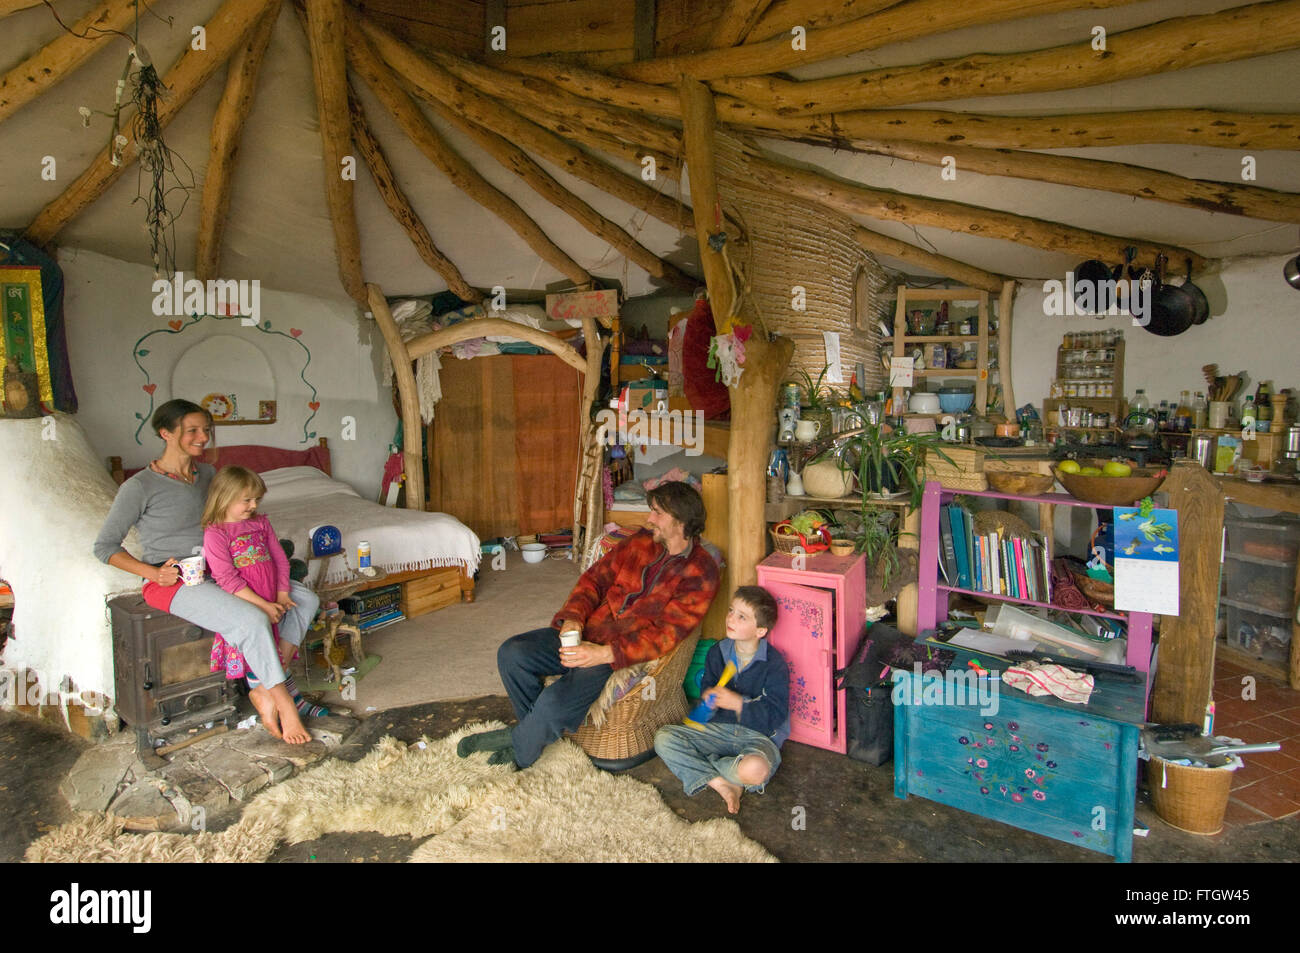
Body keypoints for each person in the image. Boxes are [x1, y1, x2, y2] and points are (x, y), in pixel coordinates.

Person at [94, 399, 318, 744]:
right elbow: (104, 547)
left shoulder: (210, 476)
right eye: (192, 431)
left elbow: (232, 519)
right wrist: (153, 574)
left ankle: (266, 683)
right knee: (251, 619)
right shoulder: (138, 487)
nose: (203, 438)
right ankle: (285, 703)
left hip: (222, 570)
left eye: (206, 430)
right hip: (174, 582)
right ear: (165, 433)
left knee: (303, 598)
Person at [458, 481, 719, 768]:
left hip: (617, 653)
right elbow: (594, 579)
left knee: (555, 702)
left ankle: (521, 748)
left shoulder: (701, 570)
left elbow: (666, 635)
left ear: (679, 520)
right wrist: (573, 617)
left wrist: (604, 654)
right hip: (586, 631)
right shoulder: (640, 541)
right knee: (512, 653)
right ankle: (531, 733)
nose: (648, 519)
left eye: (657, 513)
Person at [202, 465, 340, 726]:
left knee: (306, 601)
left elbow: (279, 559)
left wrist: (282, 594)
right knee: (259, 632)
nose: (253, 505)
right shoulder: (215, 534)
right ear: (224, 497)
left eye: (257, 499)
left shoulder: (260, 523)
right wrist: (263, 604)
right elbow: (226, 578)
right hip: (244, 596)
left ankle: (268, 689)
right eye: (247, 500)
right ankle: (288, 699)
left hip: (271, 589)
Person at [653, 586, 789, 814]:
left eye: (742, 616)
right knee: (663, 738)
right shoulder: (718, 652)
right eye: (731, 610)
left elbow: (775, 715)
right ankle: (721, 782)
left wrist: (738, 703)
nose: (731, 618)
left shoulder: (774, 663)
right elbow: (708, 687)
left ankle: (709, 766)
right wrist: (709, 698)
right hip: (718, 731)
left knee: (756, 769)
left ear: (760, 631)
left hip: (757, 737)